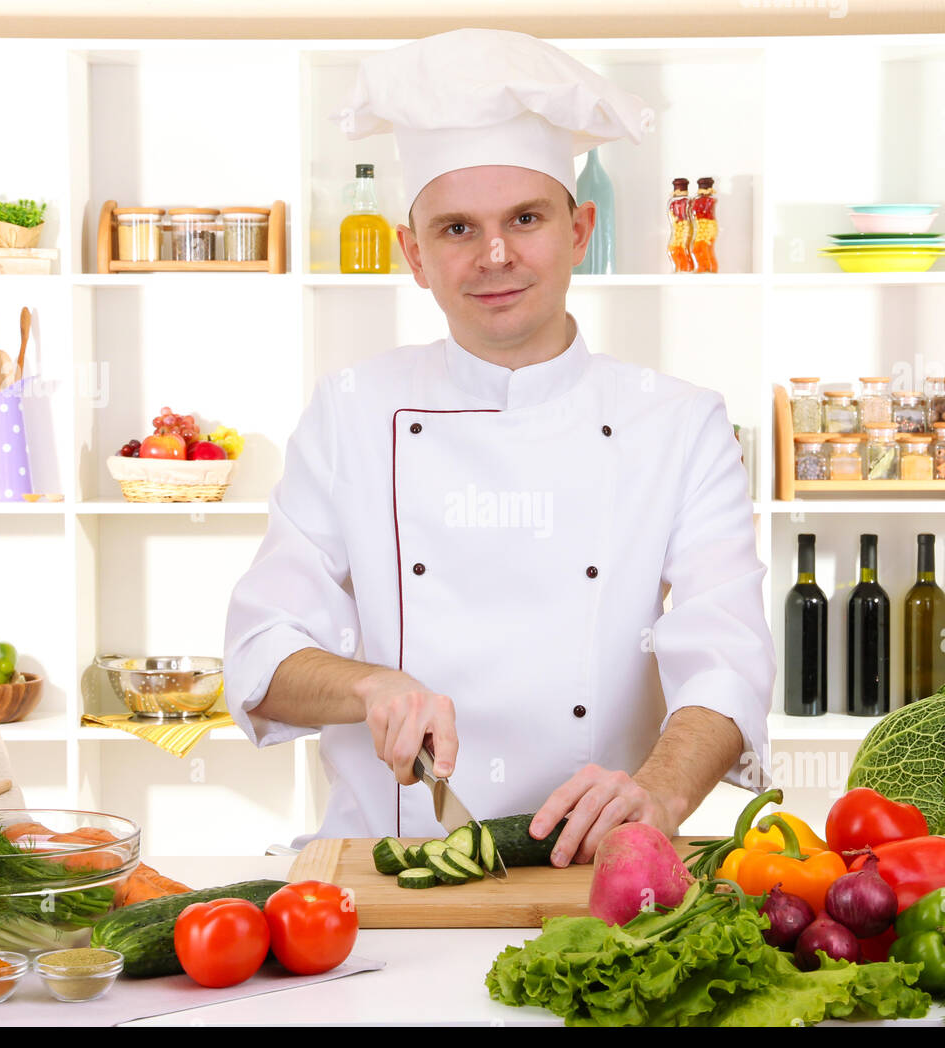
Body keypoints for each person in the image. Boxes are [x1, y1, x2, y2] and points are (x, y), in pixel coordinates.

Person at [224, 28, 774, 865]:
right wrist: (369, 683)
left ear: (581, 229)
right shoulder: (351, 411)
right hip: (386, 869)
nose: (495, 255)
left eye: (526, 218)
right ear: (413, 253)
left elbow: (725, 653)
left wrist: (658, 792)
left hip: (603, 867)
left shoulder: (679, 424)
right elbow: (264, 648)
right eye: (455, 228)